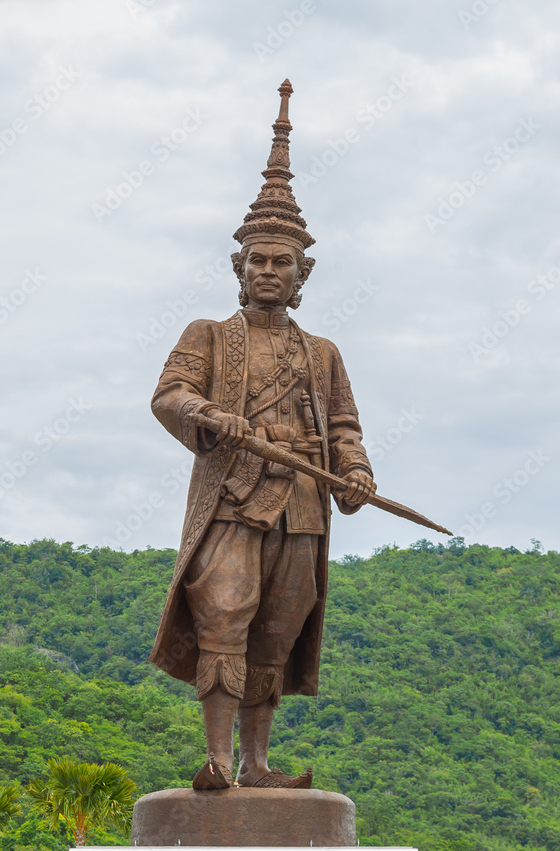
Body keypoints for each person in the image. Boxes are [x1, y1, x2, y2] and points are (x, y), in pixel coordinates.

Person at [150, 80, 375, 790]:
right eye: (258, 260)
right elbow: (169, 395)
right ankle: (216, 759)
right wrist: (210, 416)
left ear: (301, 273)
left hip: (302, 502)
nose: (269, 271)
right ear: (239, 267)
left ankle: (256, 763)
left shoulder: (323, 352)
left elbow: (344, 425)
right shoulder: (210, 336)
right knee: (223, 612)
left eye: (282, 262)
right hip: (234, 498)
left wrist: (357, 472)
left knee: (278, 627)